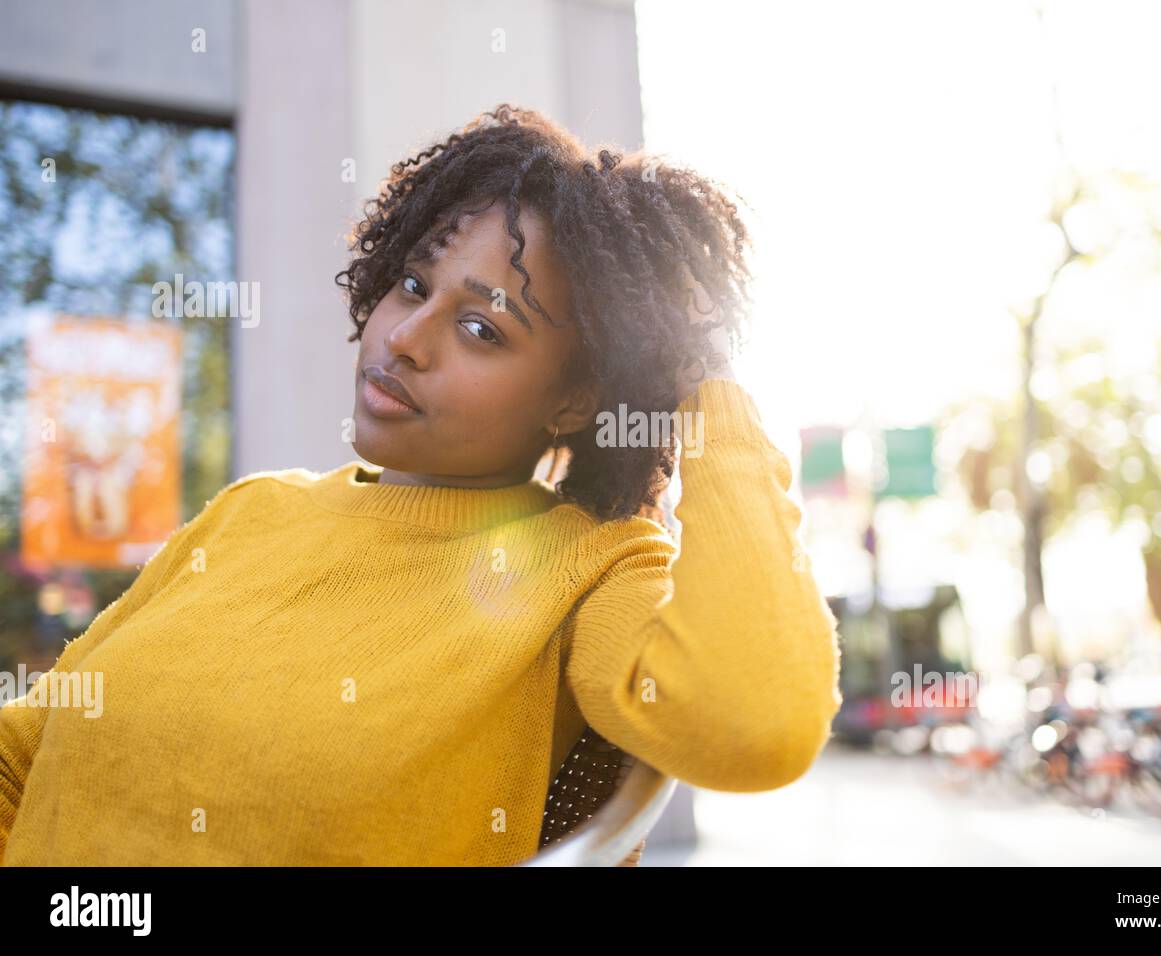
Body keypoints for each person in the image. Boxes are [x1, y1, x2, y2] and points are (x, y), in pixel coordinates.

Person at [0, 104, 843, 866]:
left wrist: (709, 384)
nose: (403, 337)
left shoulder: (591, 572)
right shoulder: (250, 513)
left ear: (576, 400)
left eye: (481, 328)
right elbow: (24, 756)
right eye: (411, 284)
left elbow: (756, 724)